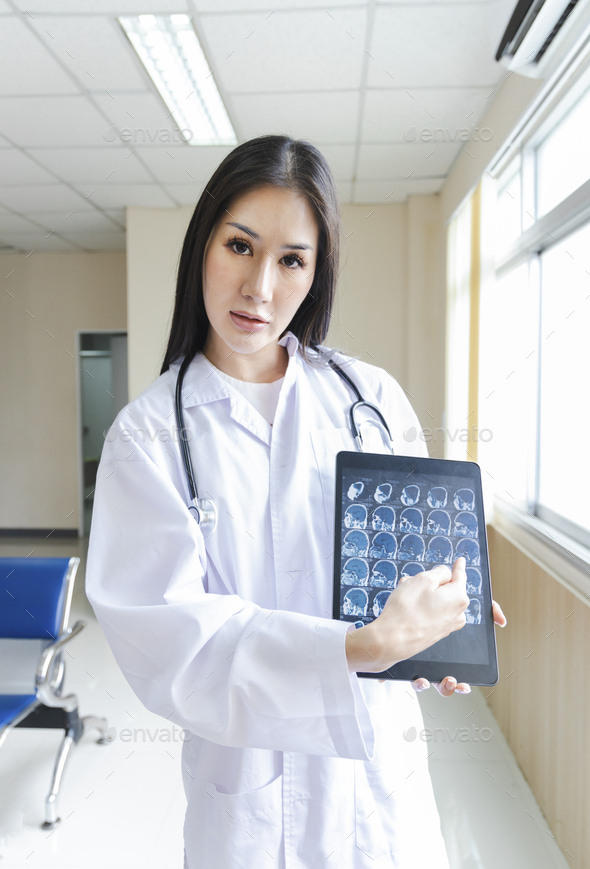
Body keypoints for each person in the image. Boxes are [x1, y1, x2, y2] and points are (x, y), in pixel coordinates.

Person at [85, 134, 507, 869]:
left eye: (291, 260)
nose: (260, 288)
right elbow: (175, 646)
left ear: (316, 273)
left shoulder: (369, 398)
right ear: (203, 247)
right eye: (241, 246)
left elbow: (416, 557)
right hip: (250, 803)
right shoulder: (148, 436)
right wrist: (358, 646)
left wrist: (440, 628)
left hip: (379, 791)